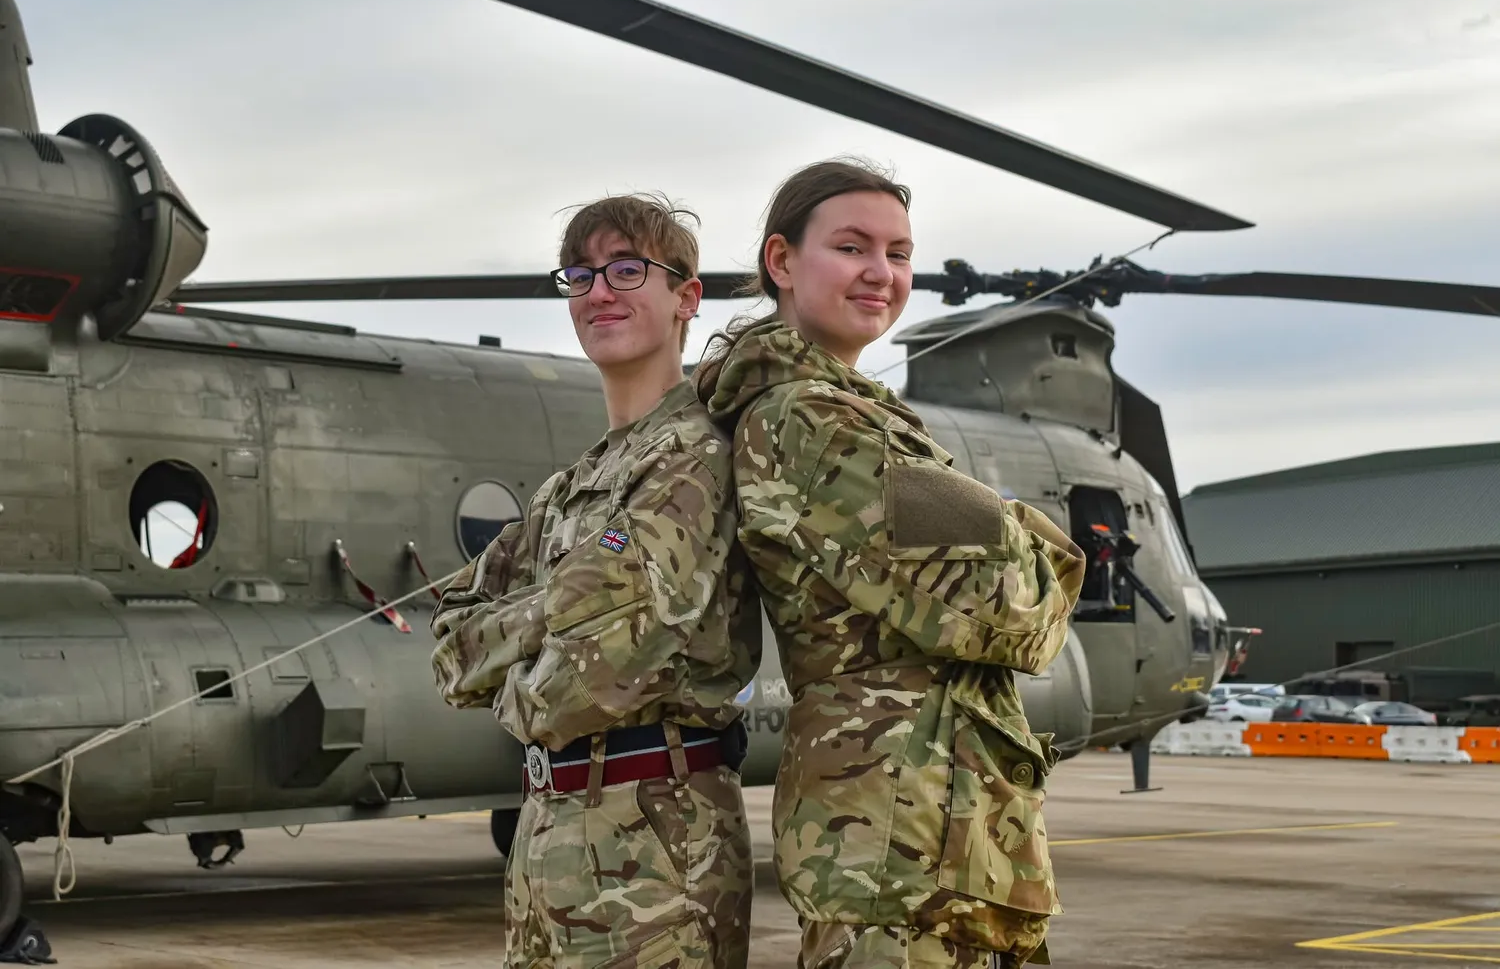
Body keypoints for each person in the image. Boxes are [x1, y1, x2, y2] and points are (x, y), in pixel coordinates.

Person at [693, 159, 1086, 969]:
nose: (882, 273)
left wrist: (1011, 535)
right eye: (852, 246)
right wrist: (1028, 540)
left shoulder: (856, 410)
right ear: (781, 262)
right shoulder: (810, 420)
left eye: (900, 254)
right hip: (897, 843)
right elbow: (1006, 608)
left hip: (933, 829)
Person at [431, 192, 762, 968]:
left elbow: (606, 665)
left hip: (657, 840)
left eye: (625, 269)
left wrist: (519, 644)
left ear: (687, 297)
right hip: (549, 829)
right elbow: (449, 649)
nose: (598, 292)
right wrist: (558, 610)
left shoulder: (692, 458)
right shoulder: (568, 488)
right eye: (579, 276)